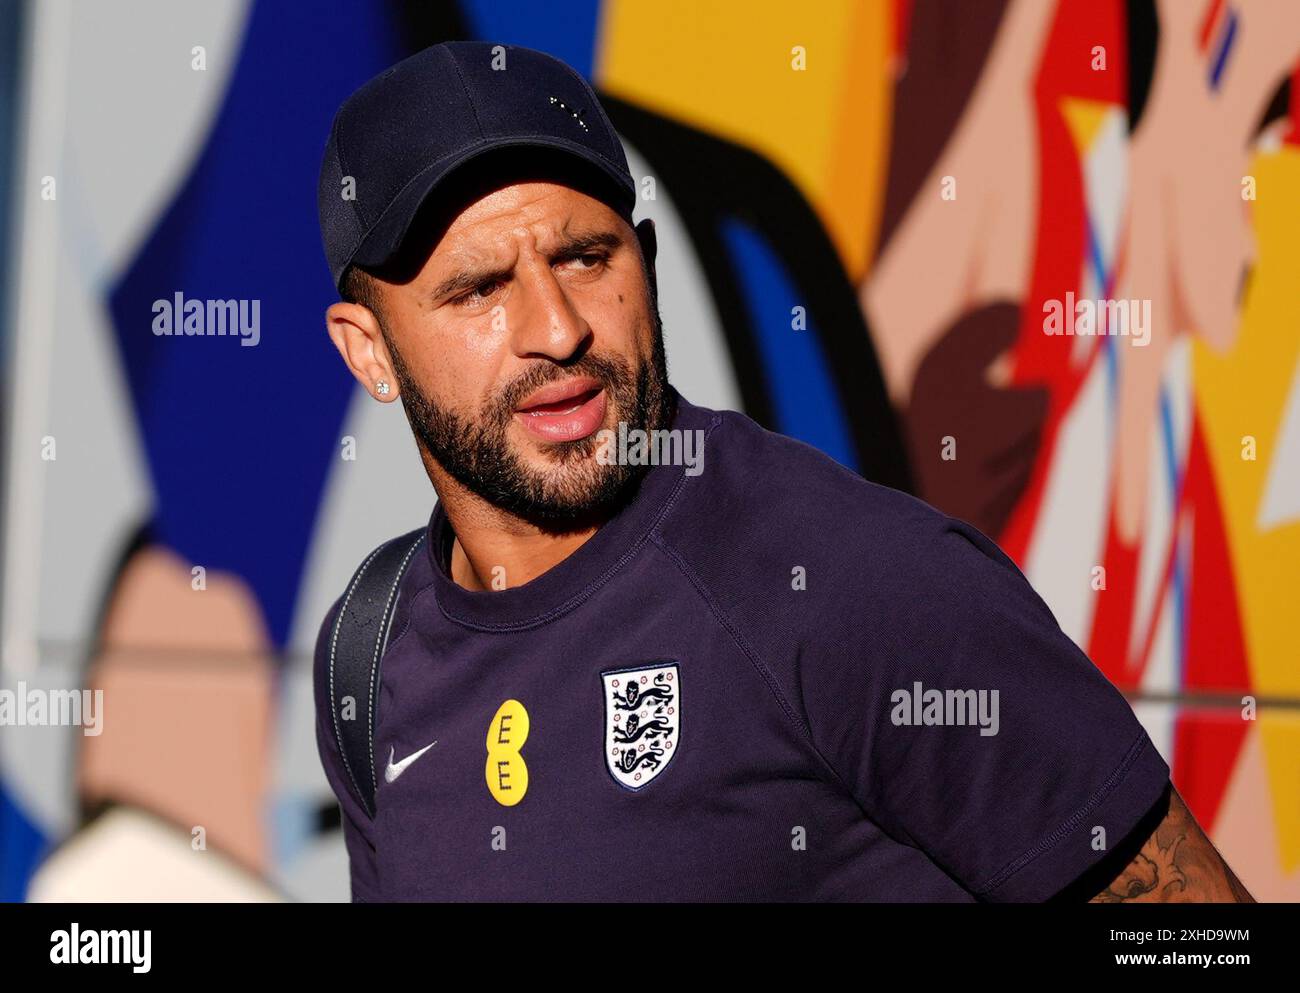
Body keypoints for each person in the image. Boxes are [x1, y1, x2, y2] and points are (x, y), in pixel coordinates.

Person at [313, 40, 1252, 902]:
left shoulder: (855, 582)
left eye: (586, 257)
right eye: (481, 289)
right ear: (370, 354)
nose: (558, 328)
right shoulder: (369, 648)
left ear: (643, 258)